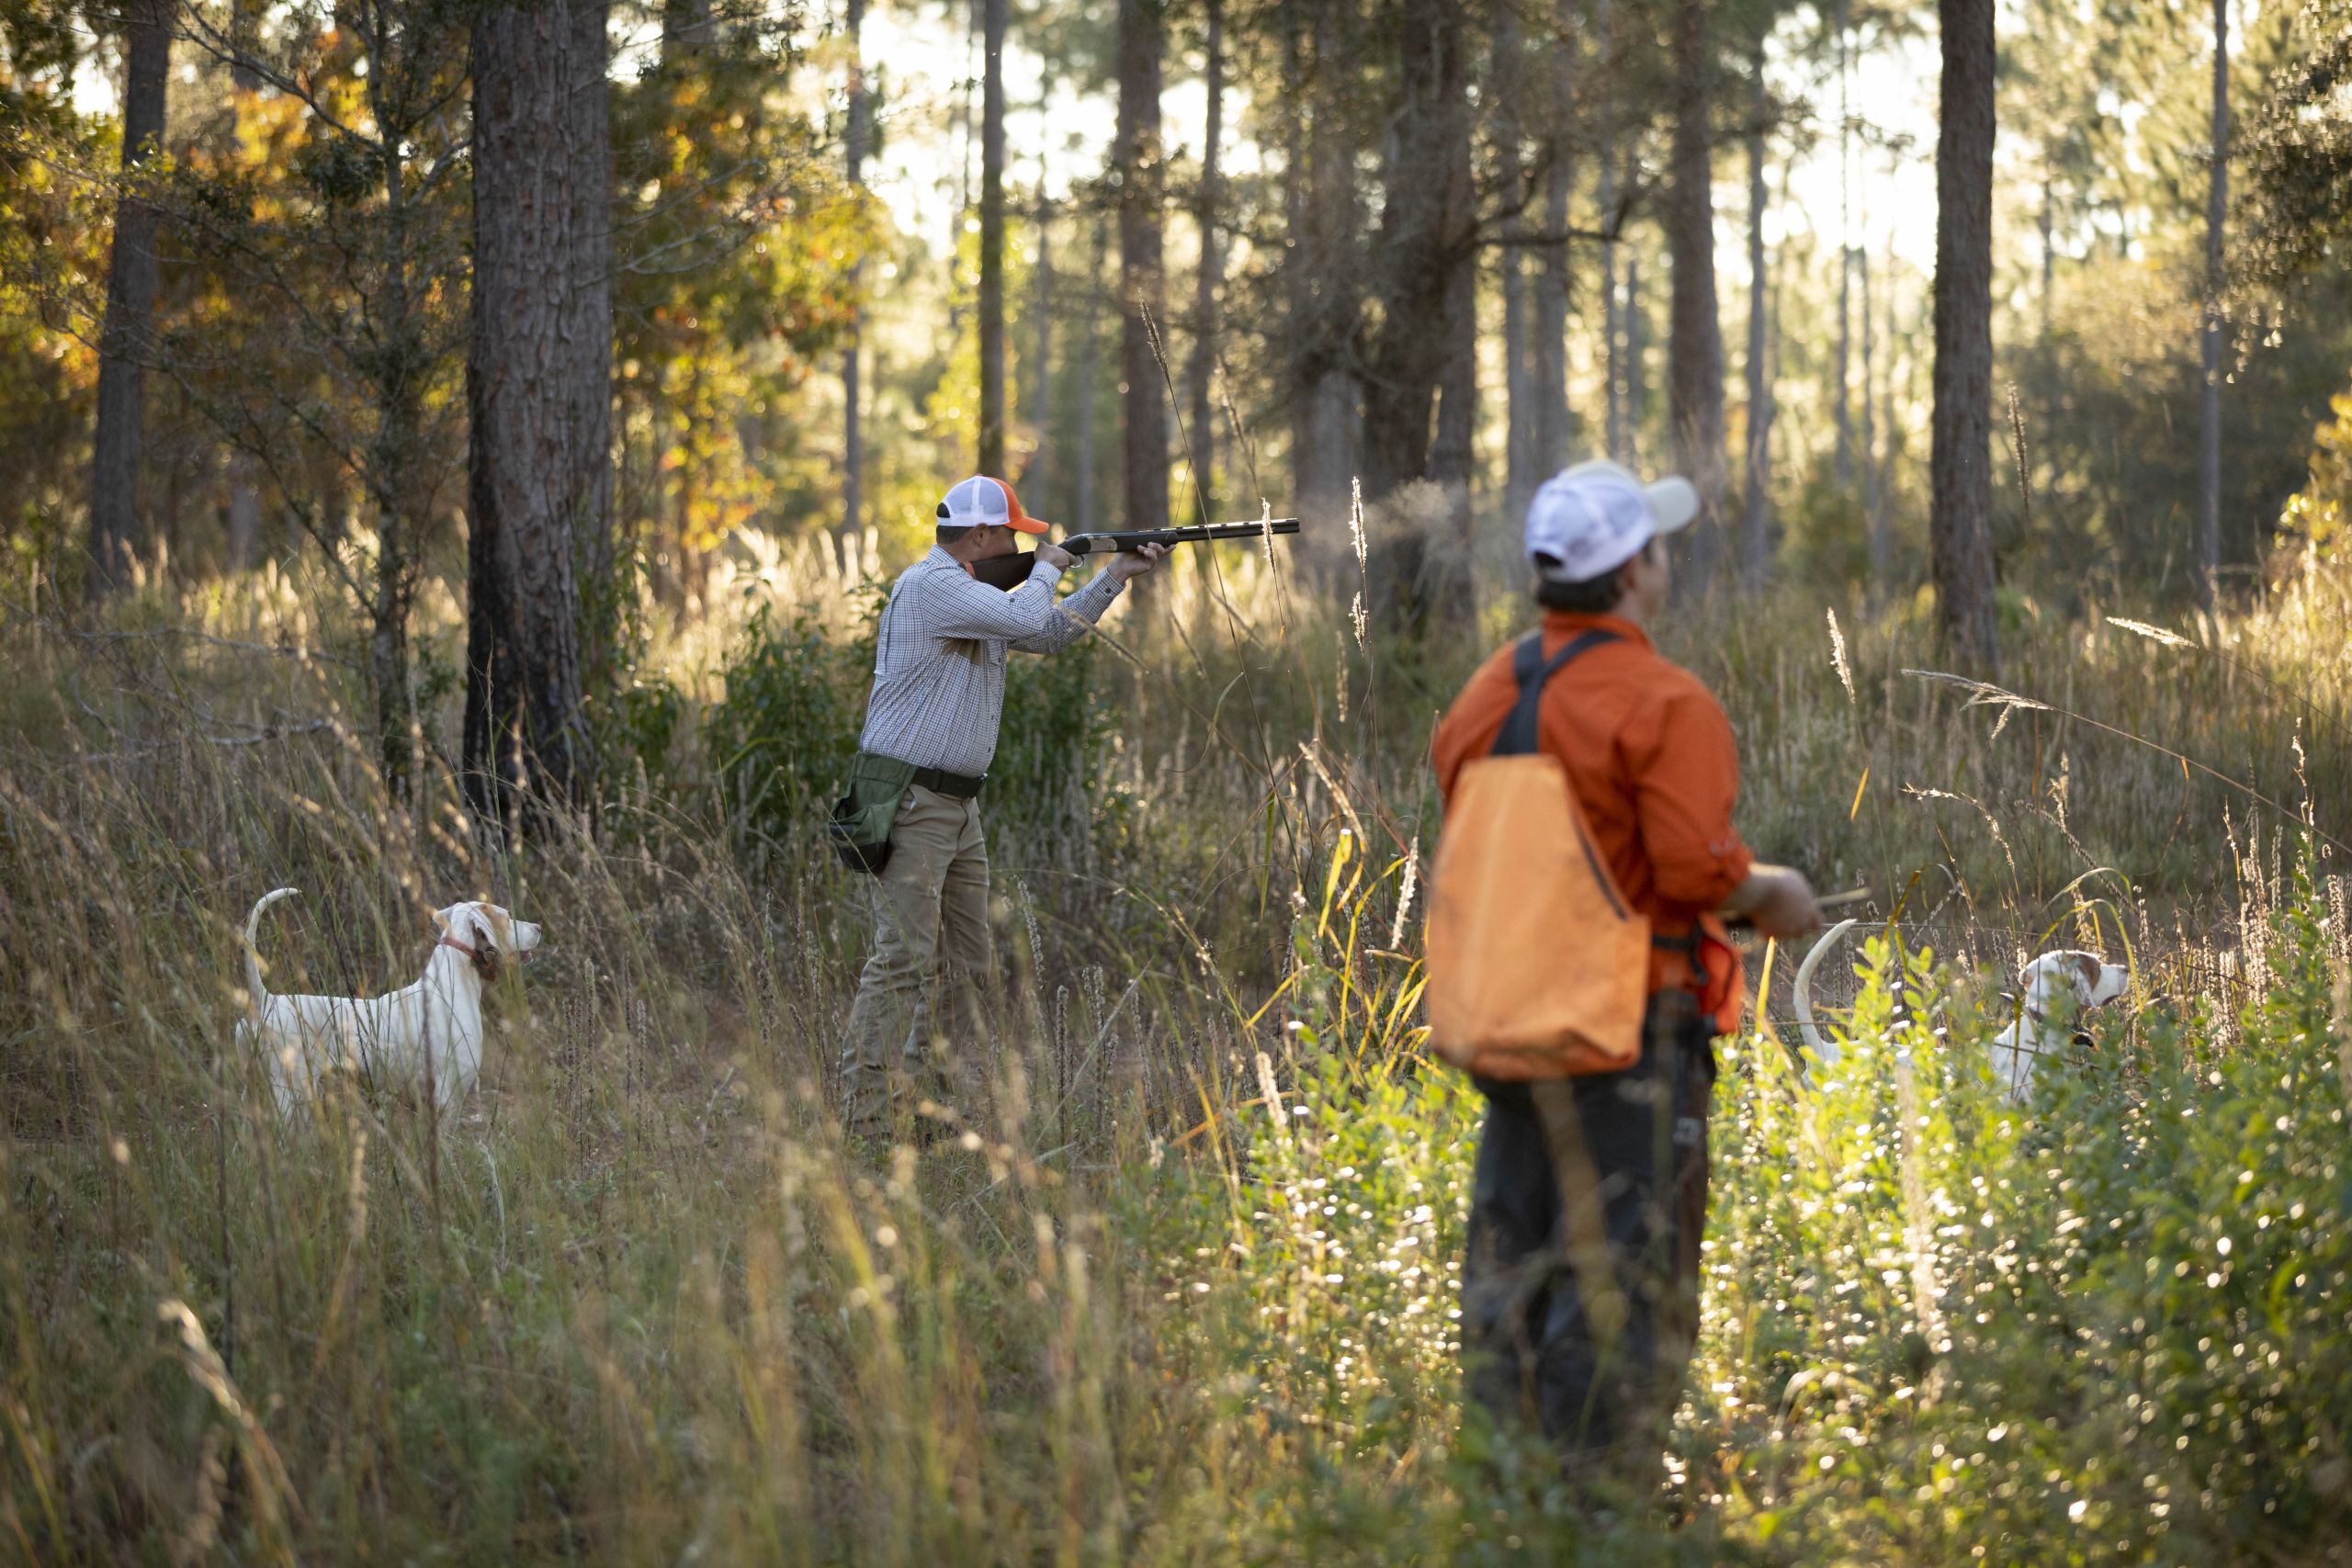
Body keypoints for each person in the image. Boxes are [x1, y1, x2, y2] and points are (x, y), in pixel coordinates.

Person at [1430, 459, 1822, 1489]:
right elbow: (1694, 869)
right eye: (1657, 545)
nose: (1664, 560)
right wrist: (1774, 890)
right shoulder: (1660, 700)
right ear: (1634, 572)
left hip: (1506, 1031)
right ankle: (1597, 1514)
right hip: (1627, 1039)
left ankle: (1501, 1501)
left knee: (1509, 1279)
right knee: (1621, 1297)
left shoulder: (1483, 693)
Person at [838, 475, 1165, 1144]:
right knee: (901, 959)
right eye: (1012, 533)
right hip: (909, 797)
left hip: (957, 807)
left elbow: (1044, 634)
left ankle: (930, 1112)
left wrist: (1116, 576)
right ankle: (867, 1127)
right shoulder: (934, 586)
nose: (1021, 542)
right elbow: (1027, 615)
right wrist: (1049, 566)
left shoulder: (975, 596)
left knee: (968, 963)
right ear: (982, 536)